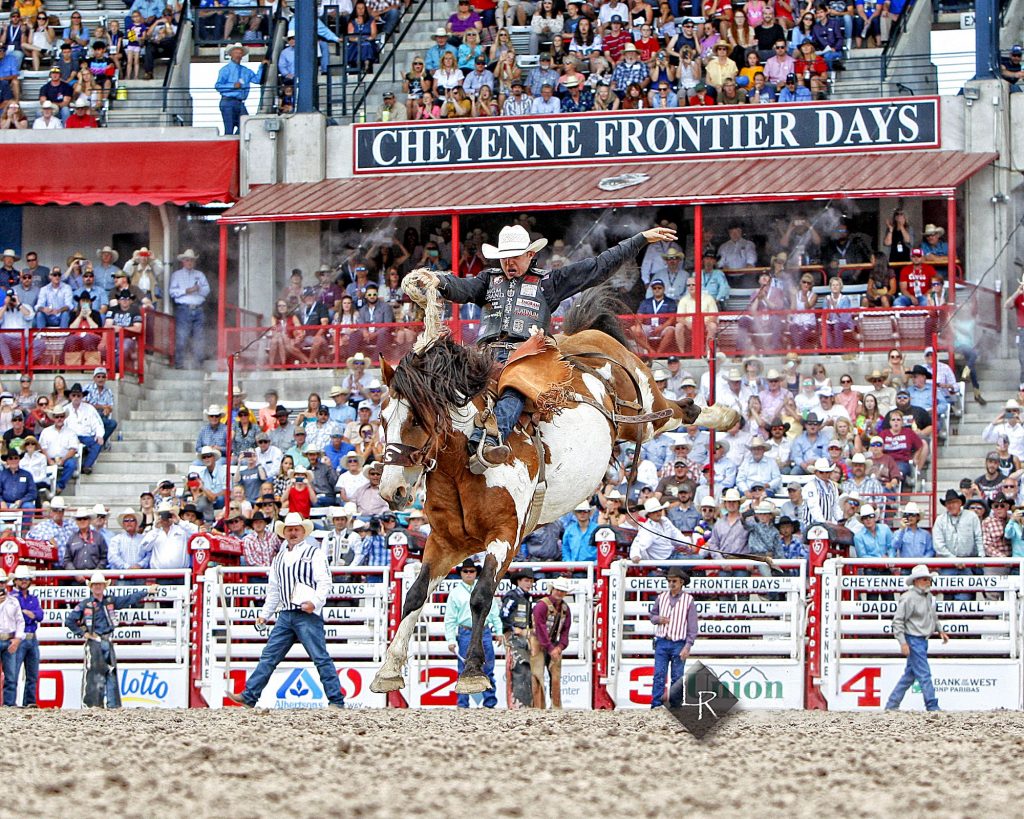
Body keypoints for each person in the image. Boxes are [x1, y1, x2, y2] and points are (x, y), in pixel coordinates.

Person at [420, 222, 677, 471]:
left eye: (515, 257)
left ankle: (490, 436)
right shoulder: (488, 280)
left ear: (530, 254)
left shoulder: (549, 282)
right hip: (485, 354)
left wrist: (640, 239)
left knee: (517, 386)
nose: (509, 263)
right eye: (504, 258)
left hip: (527, 355)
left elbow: (598, 266)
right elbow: (460, 287)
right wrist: (437, 281)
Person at [227, 512, 345, 708]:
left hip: (306, 613)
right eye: (289, 530)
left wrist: (315, 602)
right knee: (270, 656)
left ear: (303, 531)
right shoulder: (279, 557)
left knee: (319, 657)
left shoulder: (314, 553)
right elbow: (273, 589)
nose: (293, 533)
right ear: (284, 533)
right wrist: (265, 614)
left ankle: (336, 700)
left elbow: (324, 582)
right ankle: (249, 696)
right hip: (286, 613)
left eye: (296, 529)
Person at [65, 572, 156, 707]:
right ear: (91, 587)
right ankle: (94, 706)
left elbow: (129, 598)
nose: (98, 587)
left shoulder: (109, 601)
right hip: (95, 641)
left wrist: (146, 591)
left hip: (107, 640)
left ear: (103, 586)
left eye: (99, 584)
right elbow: (70, 621)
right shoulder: (85, 604)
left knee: (110, 672)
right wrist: (84, 634)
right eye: (95, 585)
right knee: (94, 674)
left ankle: (112, 705)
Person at [884, 564, 949, 712]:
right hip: (914, 639)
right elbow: (898, 621)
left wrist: (940, 630)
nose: (928, 582)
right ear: (916, 581)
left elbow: (932, 615)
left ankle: (892, 704)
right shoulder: (908, 599)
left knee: (910, 675)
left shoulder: (928, 597)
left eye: (928, 579)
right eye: (925, 579)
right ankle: (932, 705)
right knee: (924, 673)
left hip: (921, 639)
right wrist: (903, 642)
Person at [444, 559, 501, 708]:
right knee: (464, 668)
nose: (469, 574)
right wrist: (450, 639)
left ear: (476, 573)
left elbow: (494, 611)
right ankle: (463, 704)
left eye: (472, 571)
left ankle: (490, 703)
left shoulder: (484, 589)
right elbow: (449, 618)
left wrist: (499, 631)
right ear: (461, 573)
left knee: (488, 668)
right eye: (466, 571)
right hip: (466, 631)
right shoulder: (455, 593)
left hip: (483, 631)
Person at [648, 566, 697, 709]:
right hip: (663, 641)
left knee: (677, 677)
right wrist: (658, 619)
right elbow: (652, 616)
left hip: (678, 643)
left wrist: (688, 645)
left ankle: (675, 706)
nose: (671, 584)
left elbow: (692, 626)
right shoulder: (661, 597)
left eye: (674, 581)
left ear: (681, 582)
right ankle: (656, 704)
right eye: (669, 581)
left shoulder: (688, 600)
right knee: (659, 675)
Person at [531, 576, 572, 709]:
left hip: (552, 644)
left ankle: (555, 705)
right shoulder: (541, 606)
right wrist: (553, 648)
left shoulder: (565, 609)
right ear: (552, 589)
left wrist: (560, 646)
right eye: (557, 590)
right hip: (538, 642)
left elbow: (565, 631)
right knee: (537, 674)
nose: (559, 593)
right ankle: (539, 706)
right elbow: (540, 629)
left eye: (562, 591)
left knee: (555, 675)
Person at [169, 249, 211, 370]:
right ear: (183, 261)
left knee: (199, 336)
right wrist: (186, 291)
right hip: (184, 308)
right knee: (182, 336)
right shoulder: (176, 275)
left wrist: (198, 289)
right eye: (187, 260)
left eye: (192, 260)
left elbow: (206, 291)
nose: (190, 262)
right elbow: (172, 292)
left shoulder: (200, 275)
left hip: (198, 308)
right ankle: (179, 363)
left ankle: (198, 362)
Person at [500, 567, 536, 709]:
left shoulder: (526, 598)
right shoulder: (512, 596)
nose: (529, 584)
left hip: (523, 637)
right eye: (526, 581)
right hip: (514, 637)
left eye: (531, 581)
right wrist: (512, 628)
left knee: (525, 668)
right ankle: (519, 702)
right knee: (520, 667)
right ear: (519, 581)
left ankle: (523, 702)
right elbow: (503, 614)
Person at [215, 42, 268, 135]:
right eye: (236, 53)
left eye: (240, 53)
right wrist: (232, 86)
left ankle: (235, 142)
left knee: (246, 125)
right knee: (231, 128)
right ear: (231, 54)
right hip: (228, 101)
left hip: (239, 102)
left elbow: (258, 79)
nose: (238, 55)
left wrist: (262, 67)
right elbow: (218, 86)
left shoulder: (246, 71)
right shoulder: (225, 70)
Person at [9, 565, 41, 706]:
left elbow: (40, 615)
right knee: (14, 673)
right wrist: (31, 615)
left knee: (32, 674)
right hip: (20, 637)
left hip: (31, 637)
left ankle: (29, 702)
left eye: (26, 579)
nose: (24, 581)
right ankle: (12, 702)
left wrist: (30, 614)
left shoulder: (31, 598)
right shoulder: (13, 598)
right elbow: (22, 616)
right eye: (21, 579)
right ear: (16, 581)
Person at [0, 574, 25, 706]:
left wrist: (17, 639)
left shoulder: (13, 601)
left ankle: (9, 704)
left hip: (9, 639)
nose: (1, 585)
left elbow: (20, 621)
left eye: (3, 582)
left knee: (11, 676)